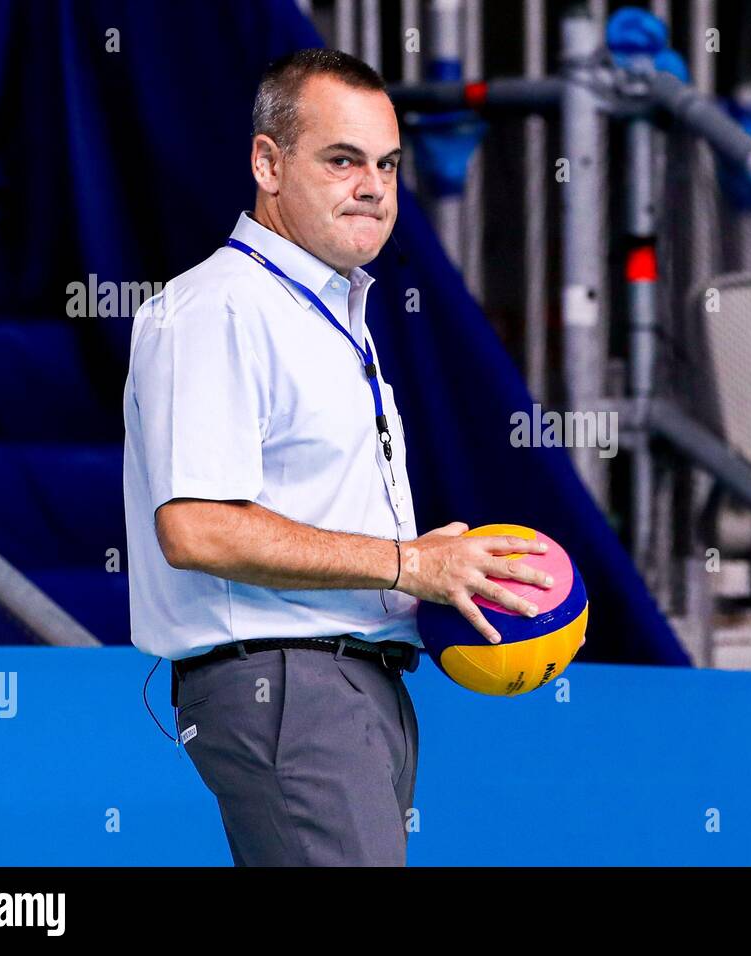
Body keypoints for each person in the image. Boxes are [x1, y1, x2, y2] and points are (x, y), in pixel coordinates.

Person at [122, 48, 568, 866]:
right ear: (267, 163)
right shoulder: (219, 308)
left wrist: (419, 559)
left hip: (349, 682)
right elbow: (196, 528)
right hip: (290, 686)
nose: (373, 186)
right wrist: (408, 564)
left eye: (388, 164)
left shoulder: (327, 307)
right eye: (342, 160)